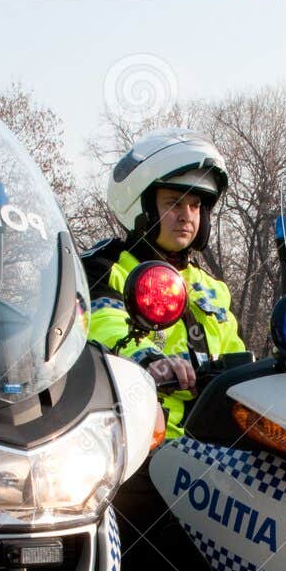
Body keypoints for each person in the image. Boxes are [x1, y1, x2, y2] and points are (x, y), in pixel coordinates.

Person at [83, 129, 243, 438]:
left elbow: (235, 354)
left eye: (196, 206)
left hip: (213, 440)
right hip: (137, 438)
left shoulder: (212, 286)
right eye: (175, 203)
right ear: (142, 207)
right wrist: (150, 361)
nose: (187, 216)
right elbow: (103, 324)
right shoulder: (106, 266)